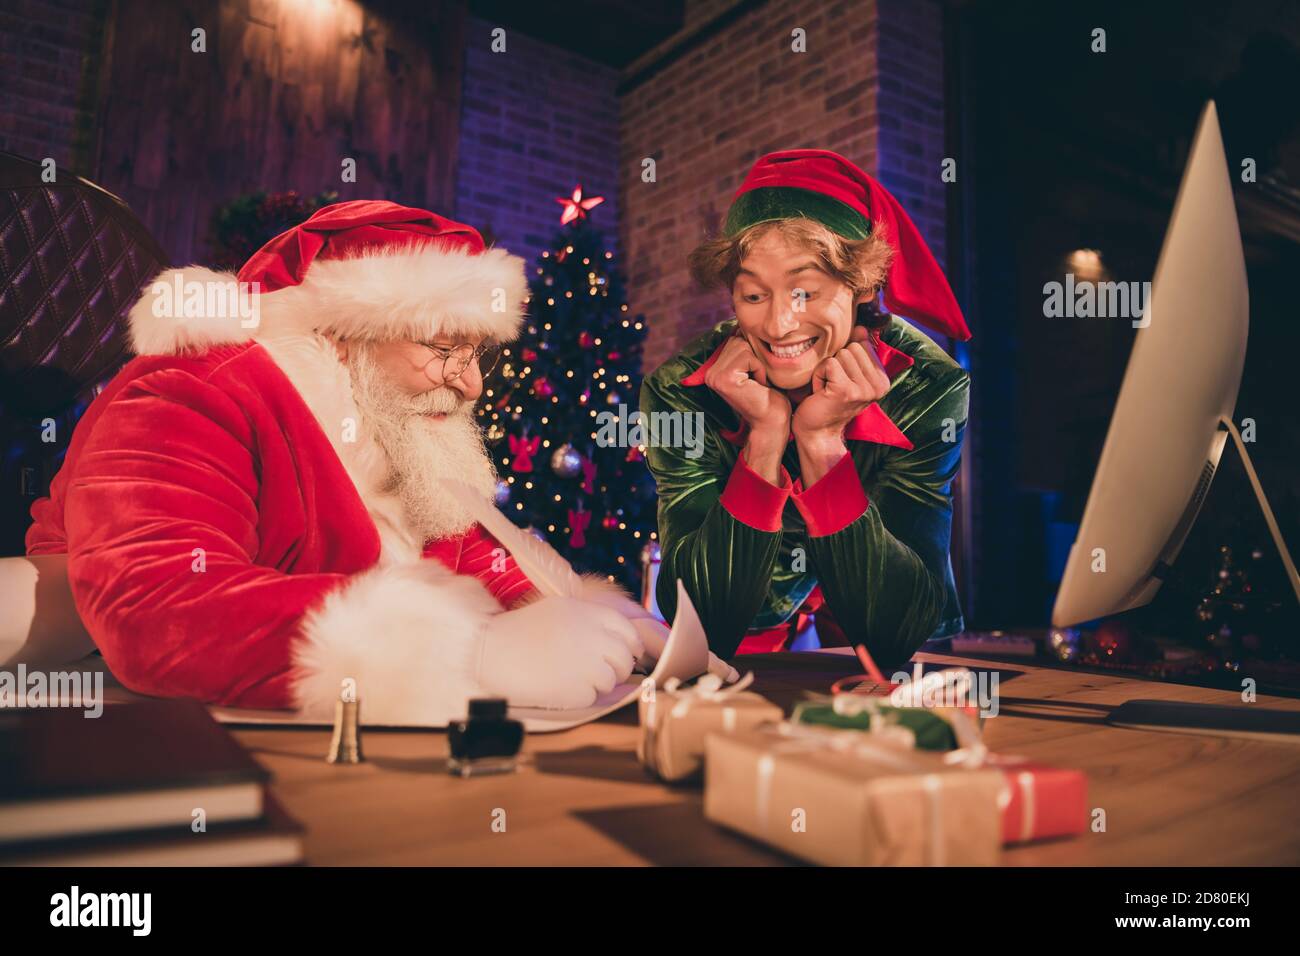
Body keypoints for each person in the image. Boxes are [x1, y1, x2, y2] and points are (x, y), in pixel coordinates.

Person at [26, 200, 647, 723]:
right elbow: (158, 605)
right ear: (343, 336)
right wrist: (465, 655)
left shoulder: (395, 426)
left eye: (475, 354)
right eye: (444, 348)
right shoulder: (195, 388)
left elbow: (475, 550)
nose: (472, 387)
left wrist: (596, 616)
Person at [641, 149, 972, 669]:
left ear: (862, 285)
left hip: (877, 675)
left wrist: (821, 445)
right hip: (739, 664)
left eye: (805, 291)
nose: (778, 325)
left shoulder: (928, 388)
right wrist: (766, 437)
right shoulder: (678, 390)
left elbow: (901, 628)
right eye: (753, 295)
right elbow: (698, 616)